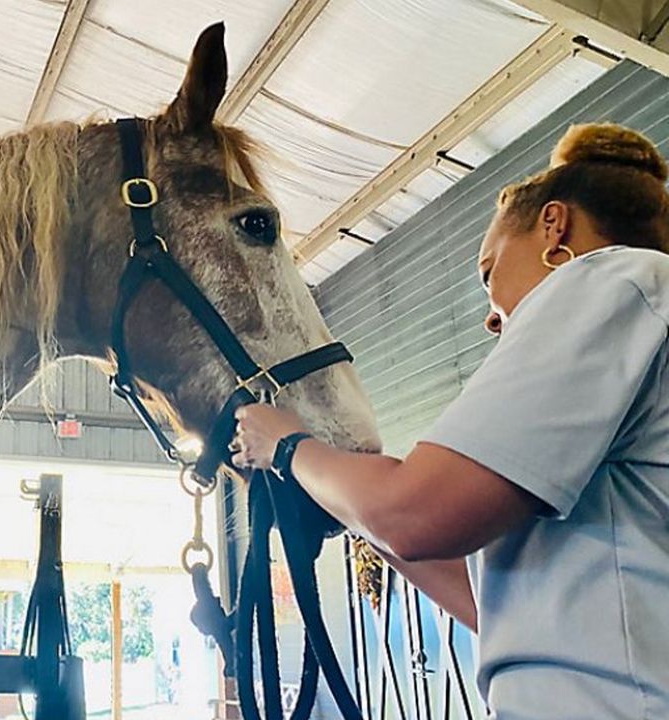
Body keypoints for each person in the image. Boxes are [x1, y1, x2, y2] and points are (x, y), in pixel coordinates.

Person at [231, 123, 669, 720]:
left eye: (489, 273)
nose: (492, 317)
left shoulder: (611, 281)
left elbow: (417, 515)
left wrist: (287, 445)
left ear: (554, 227)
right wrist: (343, 498)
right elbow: (489, 604)